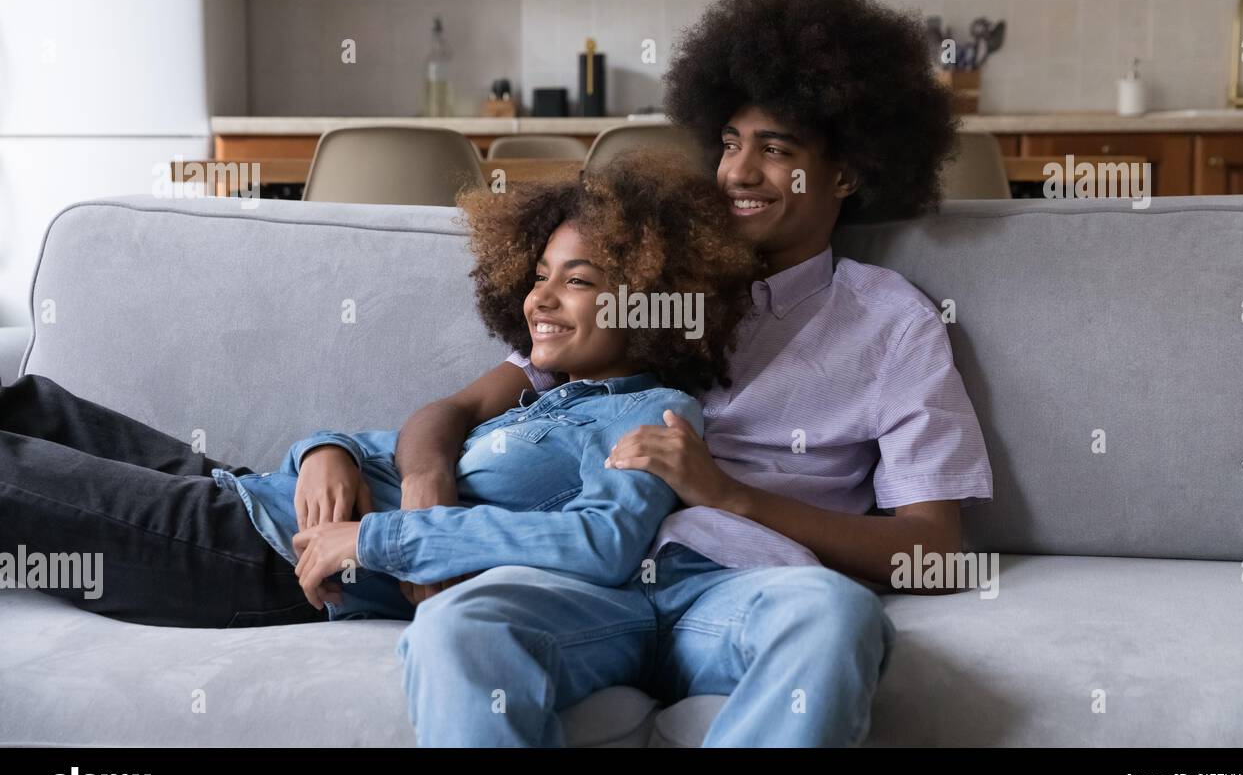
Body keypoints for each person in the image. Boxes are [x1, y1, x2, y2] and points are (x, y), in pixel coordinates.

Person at [391, 0, 994, 746]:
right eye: (730, 142)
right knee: (453, 630)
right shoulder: (648, 273)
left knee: (834, 616)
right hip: (587, 584)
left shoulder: (893, 322)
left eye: (777, 150)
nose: (738, 171)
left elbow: (936, 553)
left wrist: (730, 496)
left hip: (743, 592)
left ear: (845, 173)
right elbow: (458, 409)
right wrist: (426, 481)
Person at [0, 152, 757, 631]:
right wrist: (324, 448)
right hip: (250, 490)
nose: (542, 299)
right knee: (33, 402)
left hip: (258, 558)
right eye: (538, 277)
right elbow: (402, 448)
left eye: (579, 281)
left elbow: (603, 541)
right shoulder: (538, 392)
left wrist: (382, 538)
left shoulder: (651, 416)